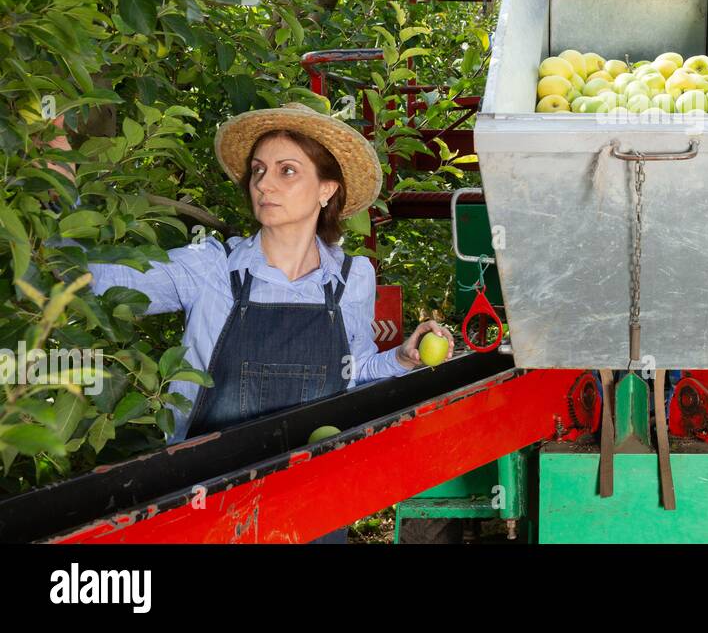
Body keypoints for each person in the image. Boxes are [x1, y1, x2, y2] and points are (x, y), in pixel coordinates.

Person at [45, 102, 454, 543]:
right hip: (208, 503)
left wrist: (402, 359)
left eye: (287, 171)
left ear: (326, 190)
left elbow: (352, 376)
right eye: (258, 170)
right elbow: (90, 280)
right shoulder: (210, 268)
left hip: (315, 500)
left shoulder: (353, 279)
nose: (265, 184)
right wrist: (57, 182)